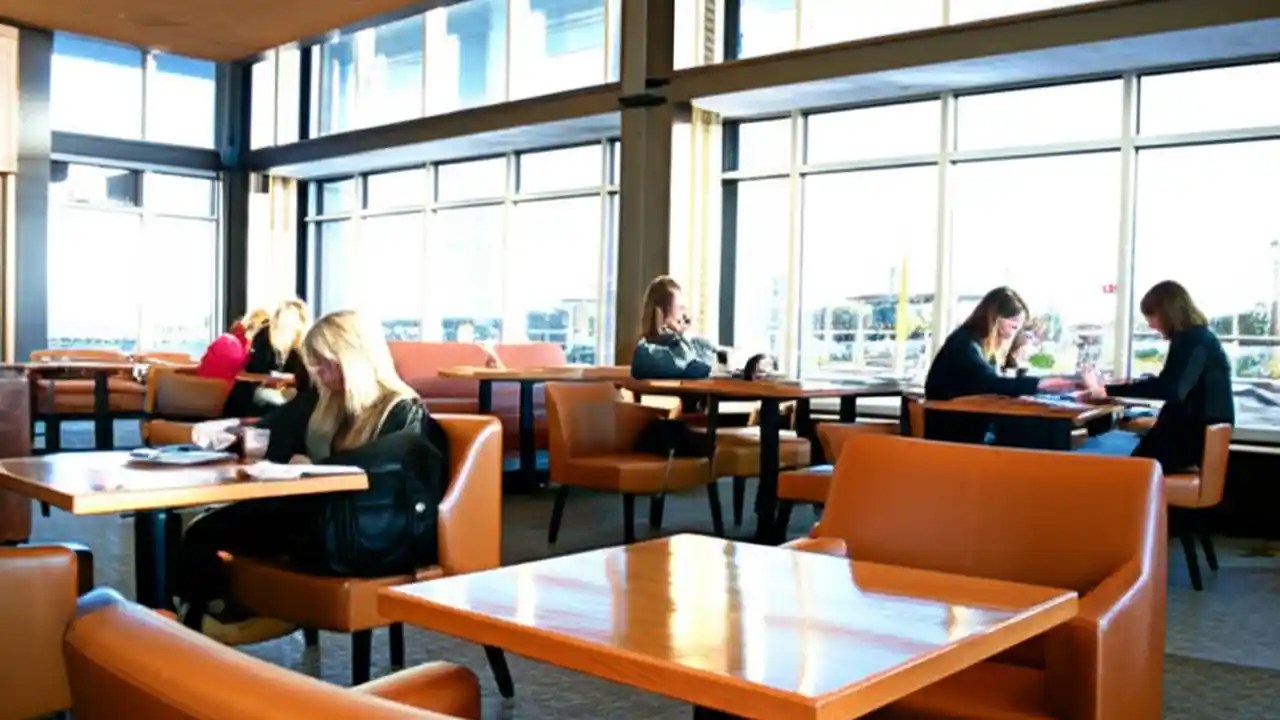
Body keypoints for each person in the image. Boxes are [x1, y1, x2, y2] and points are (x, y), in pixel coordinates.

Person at [176, 310, 449, 643]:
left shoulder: (403, 411)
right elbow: (274, 428)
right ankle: (213, 613)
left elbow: (393, 470)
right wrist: (235, 433)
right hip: (318, 513)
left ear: (352, 358)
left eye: (325, 362)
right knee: (203, 529)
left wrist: (316, 466)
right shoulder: (324, 401)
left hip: (362, 529)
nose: (317, 371)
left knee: (218, 529)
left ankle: (238, 619)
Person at [1079, 280, 1234, 470]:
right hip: (1195, 440)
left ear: (1167, 312)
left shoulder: (1190, 340)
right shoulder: (1201, 338)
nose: (1150, 324)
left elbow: (1172, 389)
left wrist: (1106, 390)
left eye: (1151, 316)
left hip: (1184, 443)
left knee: (1094, 457)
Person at [924, 287, 1078, 444]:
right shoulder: (964, 344)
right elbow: (988, 382)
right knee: (1044, 426)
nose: (1016, 329)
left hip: (969, 419)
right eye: (1014, 323)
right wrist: (1040, 384)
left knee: (1046, 423)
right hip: (954, 427)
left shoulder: (978, 344)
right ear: (995, 317)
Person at [223, 298, 312, 417]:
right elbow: (252, 371)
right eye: (282, 324)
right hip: (264, 388)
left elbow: (306, 380)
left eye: (290, 326)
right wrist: (269, 379)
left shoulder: (307, 344)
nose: (285, 329)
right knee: (242, 391)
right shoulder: (264, 336)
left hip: (292, 394)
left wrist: (287, 380)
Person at [631, 276, 720, 380]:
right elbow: (691, 368)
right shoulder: (646, 353)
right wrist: (673, 336)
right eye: (679, 308)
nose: (685, 316)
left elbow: (715, 358)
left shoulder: (689, 344)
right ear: (659, 313)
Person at [195, 309, 271, 385]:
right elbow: (238, 375)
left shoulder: (232, 338)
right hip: (217, 388)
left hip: (204, 385)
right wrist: (268, 378)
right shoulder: (239, 344)